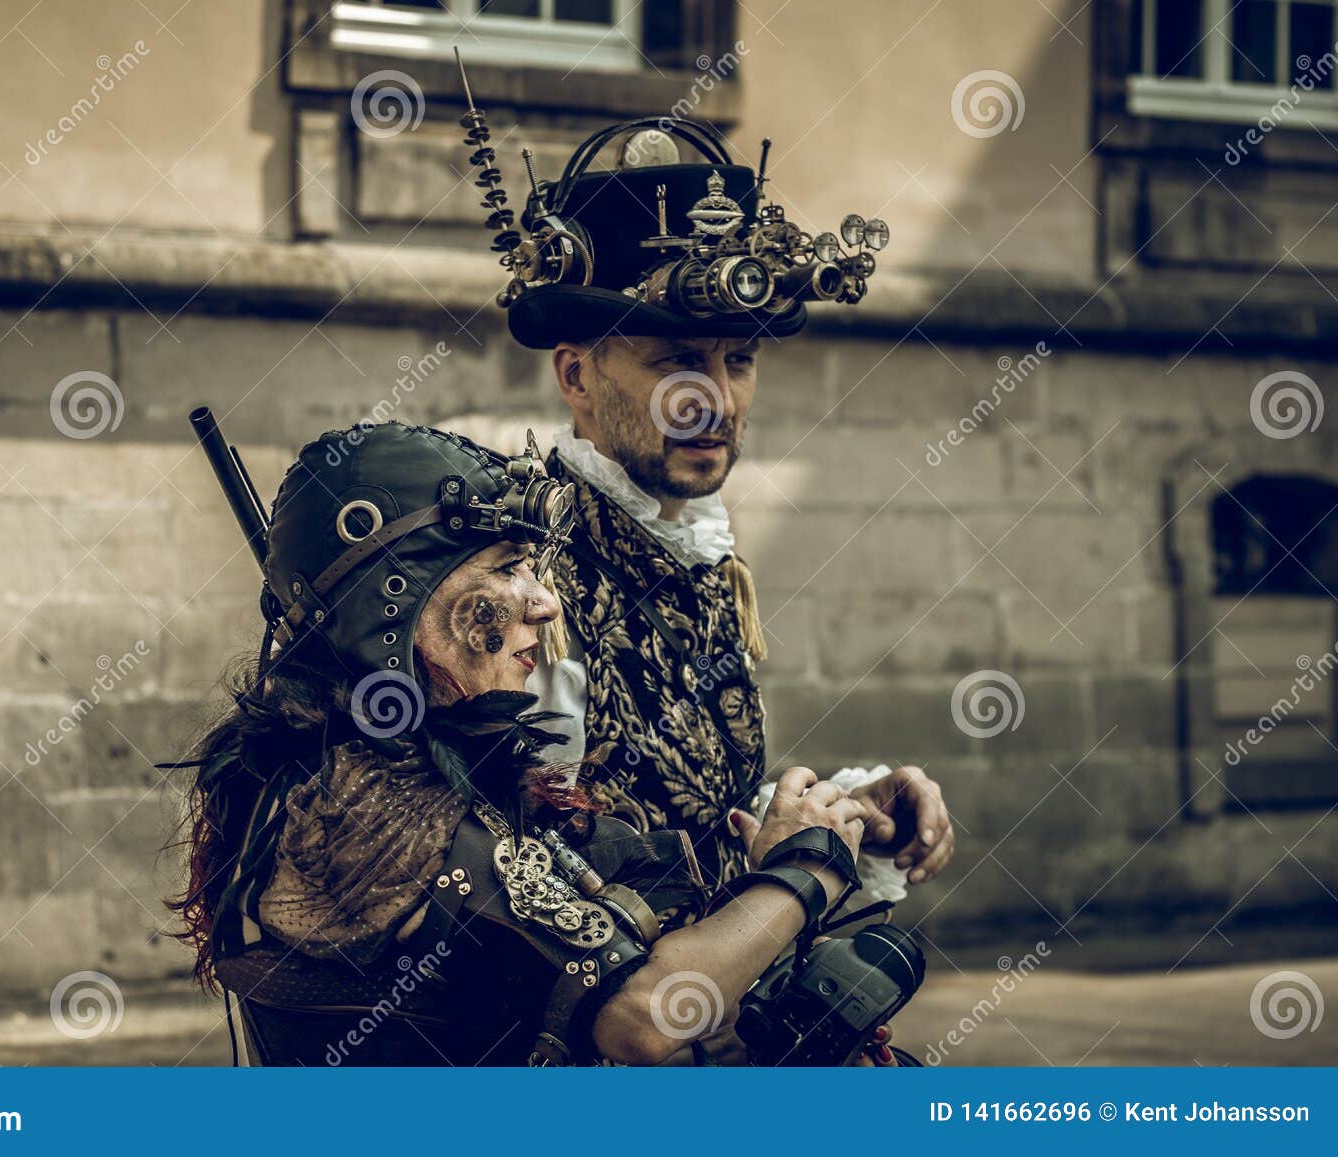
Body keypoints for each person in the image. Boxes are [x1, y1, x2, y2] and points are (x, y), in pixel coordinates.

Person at [170, 420, 897, 1066]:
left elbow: (615, 876)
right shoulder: (359, 812)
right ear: (398, 603)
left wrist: (806, 832)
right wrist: (812, 866)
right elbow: (645, 1015)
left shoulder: (401, 776)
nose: (544, 602)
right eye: (509, 567)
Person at [464, 114, 956, 899]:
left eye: (741, 360)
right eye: (679, 362)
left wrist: (847, 815)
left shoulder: (696, 551)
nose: (718, 402)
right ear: (577, 376)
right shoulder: (523, 581)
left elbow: (700, 823)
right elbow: (525, 879)